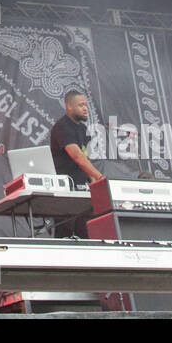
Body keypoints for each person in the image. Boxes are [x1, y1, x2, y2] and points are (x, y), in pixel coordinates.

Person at [49, 91, 104, 238]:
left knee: (86, 230)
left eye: (86, 105)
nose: (85, 108)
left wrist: (94, 184)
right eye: (81, 105)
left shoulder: (82, 129)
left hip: (82, 188)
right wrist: (99, 176)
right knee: (65, 231)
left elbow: (85, 157)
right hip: (65, 188)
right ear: (69, 107)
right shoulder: (62, 127)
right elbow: (77, 156)